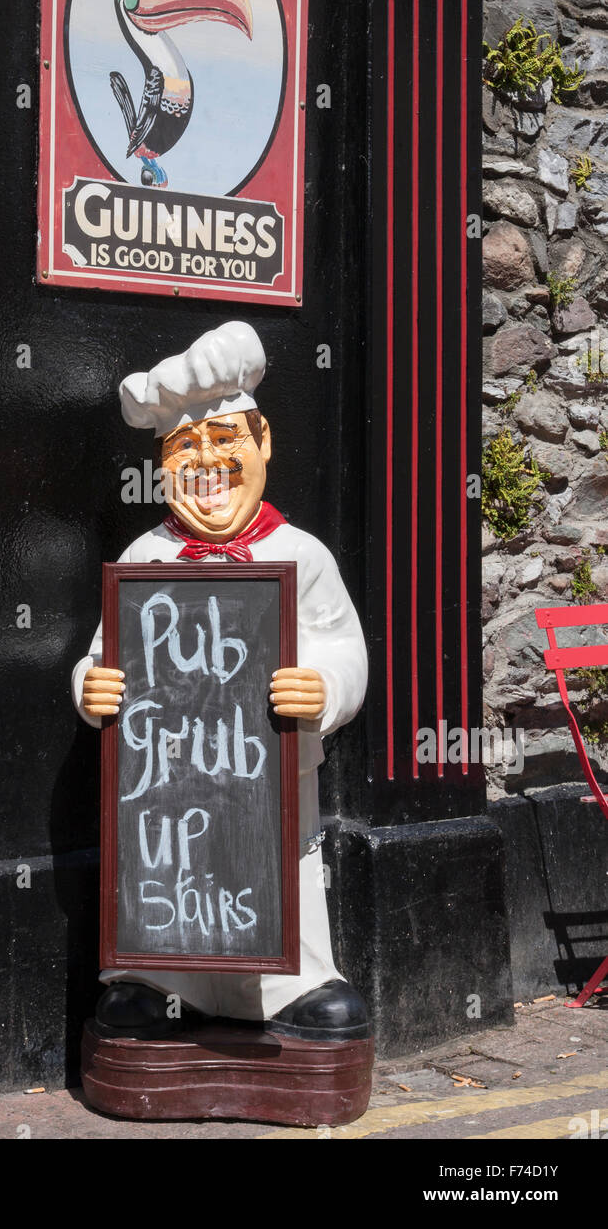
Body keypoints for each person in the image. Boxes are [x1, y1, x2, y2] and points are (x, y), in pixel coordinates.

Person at [71, 320, 370, 1042]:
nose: (207, 465)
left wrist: (324, 688)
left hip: (271, 771)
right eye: (185, 450)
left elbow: (346, 648)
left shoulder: (301, 555)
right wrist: (91, 687)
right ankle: (154, 983)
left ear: (261, 444)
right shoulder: (145, 556)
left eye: (225, 443)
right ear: (163, 465)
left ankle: (293, 989)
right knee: (168, 869)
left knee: (281, 865)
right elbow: (102, 653)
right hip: (167, 780)